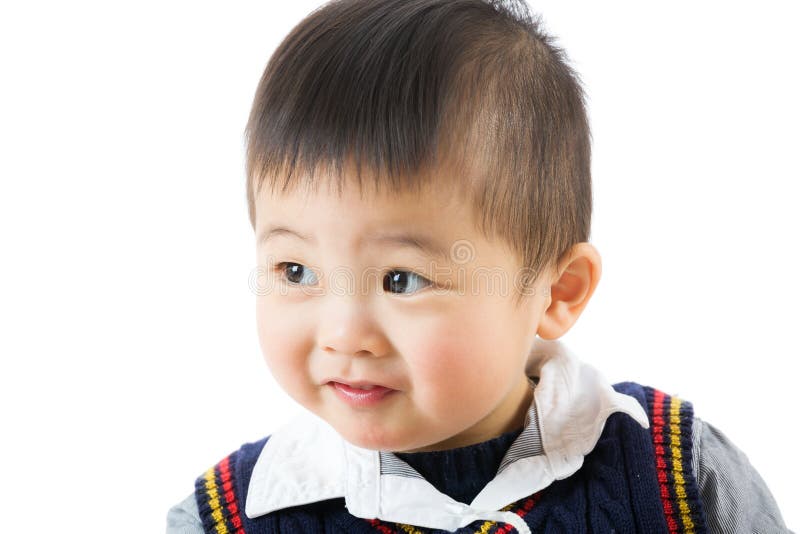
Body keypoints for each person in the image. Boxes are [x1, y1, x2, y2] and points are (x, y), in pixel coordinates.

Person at [166, 0, 791, 532]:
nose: (343, 335)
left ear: (556, 292)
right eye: (295, 271)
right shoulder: (230, 516)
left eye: (400, 280)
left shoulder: (677, 476)